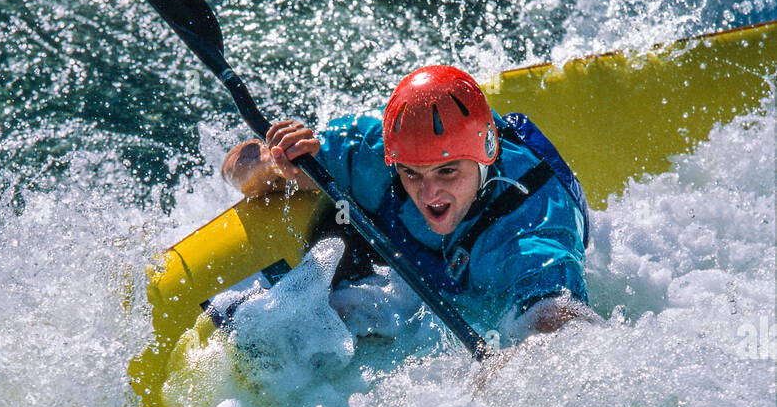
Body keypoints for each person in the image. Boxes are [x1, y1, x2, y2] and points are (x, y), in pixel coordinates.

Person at [221, 65, 601, 341]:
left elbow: (564, 323)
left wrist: (526, 364)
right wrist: (274, 161)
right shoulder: (370, 152)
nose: (429, 194)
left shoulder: (532, 229)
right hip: (403, 278)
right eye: (413, 174)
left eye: (448, 172)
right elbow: (234, 170)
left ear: (487, 153)